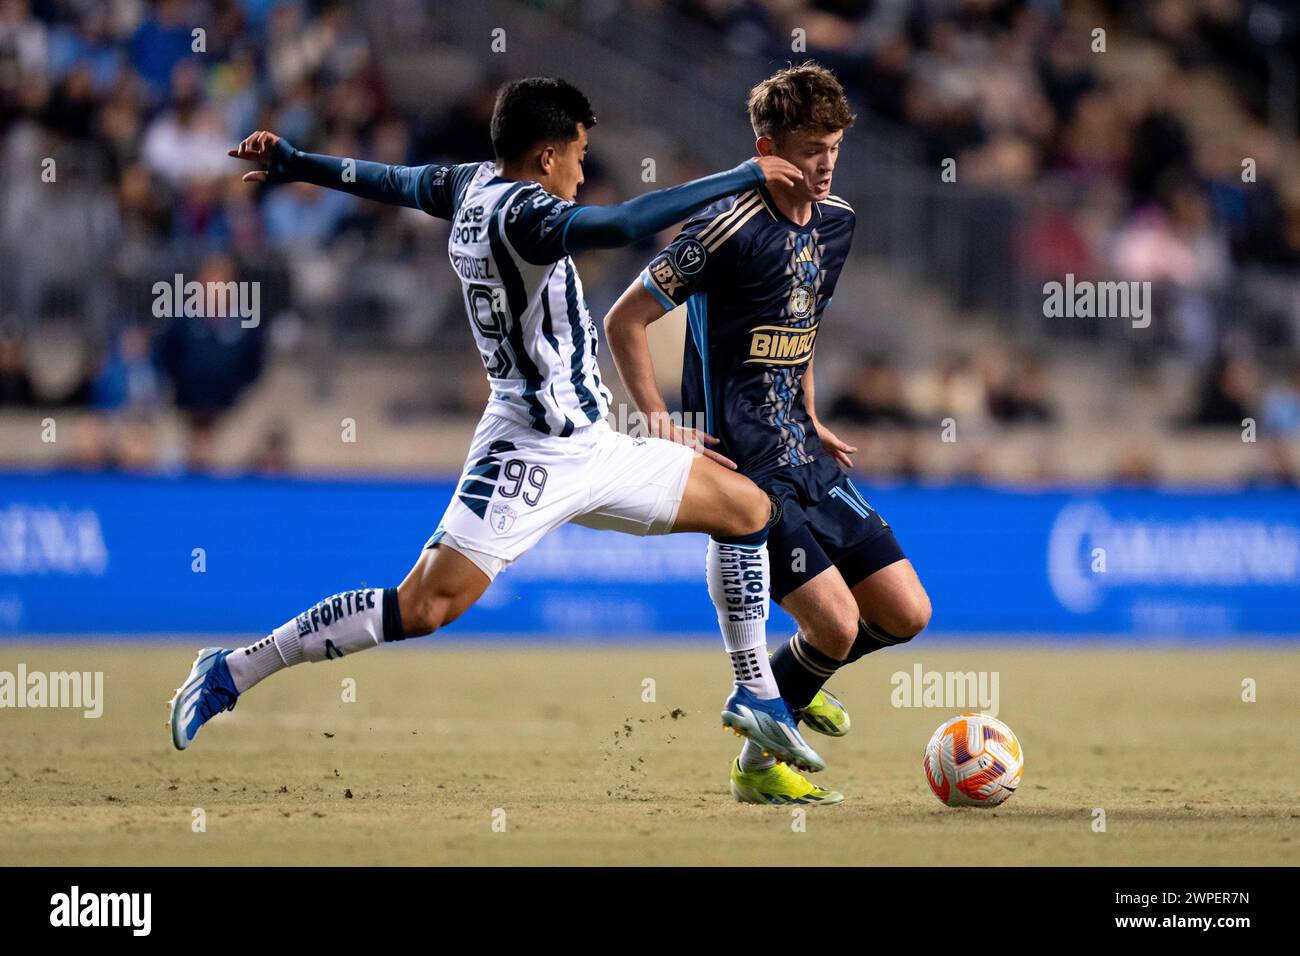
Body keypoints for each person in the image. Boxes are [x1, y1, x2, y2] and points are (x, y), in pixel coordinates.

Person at [168, 76, 828, 774]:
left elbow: (388, 180)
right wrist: (740, 175)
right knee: (422, 607)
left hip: (596, 443)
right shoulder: (528, 218)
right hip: (528, 451)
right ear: (545, 157)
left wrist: (300, 163)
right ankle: (231, 670)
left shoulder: (469, 185)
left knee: (746, 509)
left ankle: (756, 693)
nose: (581, 171)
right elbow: (624, 224)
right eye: (577, 155)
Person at [604, 64, 932, 804]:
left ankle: (793, 687)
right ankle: (760, 756)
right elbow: (625, 318)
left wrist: (811, 409)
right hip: (744, 468)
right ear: (766, 145)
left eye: (834, 148)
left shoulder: (837, 221)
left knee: (906, 614)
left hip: (805, 455)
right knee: (839, 628)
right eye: (810, 148)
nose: (823, 164)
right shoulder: (724, 226)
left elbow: (803, 321)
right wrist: (660, 420)